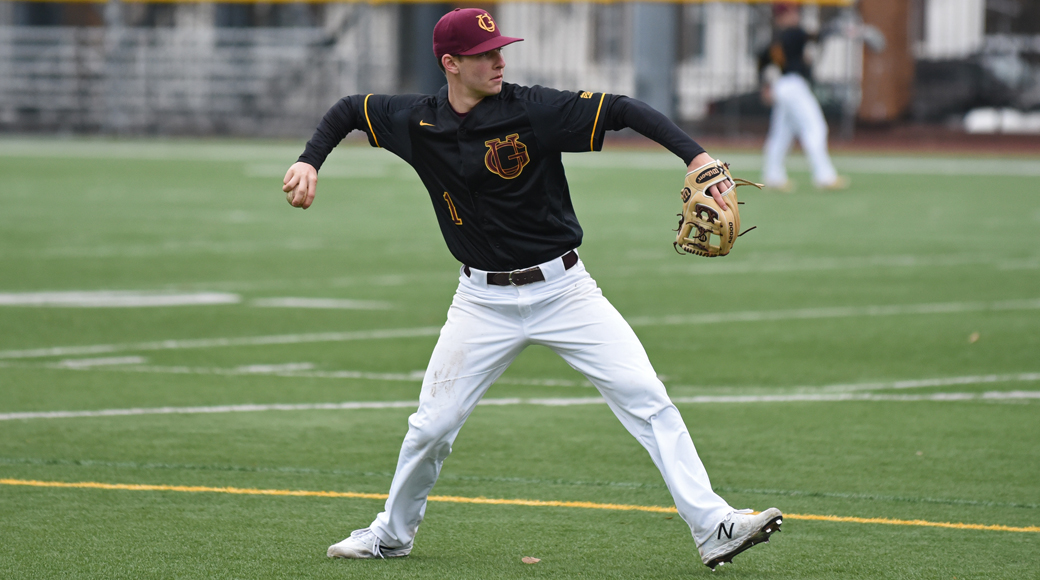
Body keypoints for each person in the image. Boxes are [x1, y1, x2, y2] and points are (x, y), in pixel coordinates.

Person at [283, 7, 781, 570]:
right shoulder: (416, 121)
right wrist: (310, 161)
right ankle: (391, 534)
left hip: (565, 291)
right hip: (480, 302)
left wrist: (699, 156)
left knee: (647, 400)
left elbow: (621, 109)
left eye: (500, 50)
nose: (499, 60)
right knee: (432, 427)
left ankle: (714, 526)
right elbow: (350, 109)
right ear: (450, 64)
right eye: (484, 54)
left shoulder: (534, 110)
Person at [758, 3, 849, 191]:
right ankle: (824, 176)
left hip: (781, 86)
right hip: (794, 86)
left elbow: (761, 58)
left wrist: (765, 86)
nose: (795, 16)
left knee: (781, 134)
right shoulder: (793, 32)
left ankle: (773, 175)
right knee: (815, 128)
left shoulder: (775, 38)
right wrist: (840, 28)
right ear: (781, 16)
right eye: (791, 13)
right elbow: (817, 35)